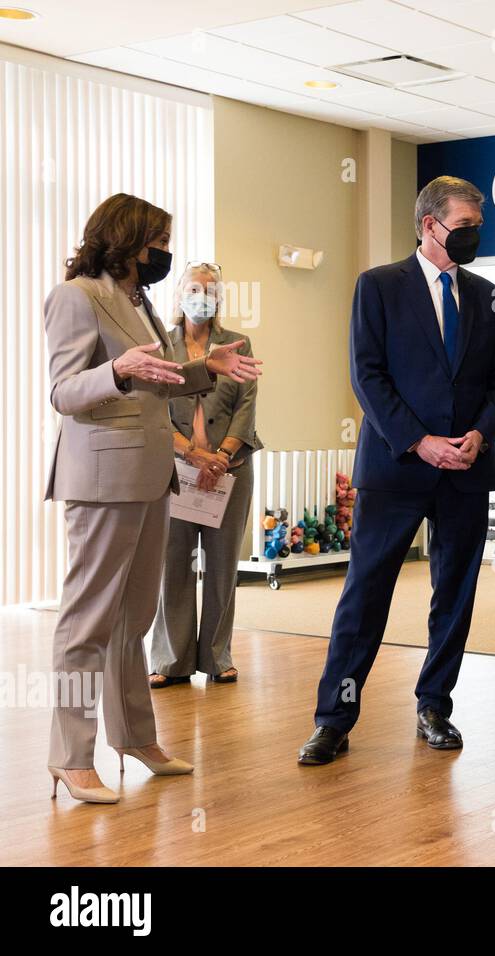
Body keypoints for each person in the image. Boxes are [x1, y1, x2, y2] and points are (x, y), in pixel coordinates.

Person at [44, 193, 262, 803]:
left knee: (134, 619)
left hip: (149, 476)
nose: (164, 252)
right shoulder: (76, 296)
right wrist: (116, 371)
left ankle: (135, 737)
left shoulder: (138, 302)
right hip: (100, 479)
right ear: (126, 237)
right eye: (157, 242)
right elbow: (63, 392)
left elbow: (157, 380)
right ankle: (70, 756)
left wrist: (207, 367)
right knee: (87, 622)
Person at [298, 176, 495, 765]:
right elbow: (367, 375)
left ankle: (435, 708)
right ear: (429, 225)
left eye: (478, 226)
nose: (474, 235)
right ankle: (333, 719)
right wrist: (419, 442)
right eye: (464, 225)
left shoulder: (490, 296)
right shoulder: (378, 286)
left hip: (466, 468)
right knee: (366, 594)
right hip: (395, 466)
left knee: (455, 595)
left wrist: (480, 434)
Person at [150, 262, 263, 688]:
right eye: (194, 289)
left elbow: (246, 405)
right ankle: (170, 660)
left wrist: (222, 456)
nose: (202, 297)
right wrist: (194, 454)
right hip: (176, 469)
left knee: (221, 567)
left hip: (231, 470)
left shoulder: (237, 344)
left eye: (210, 290)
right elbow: (155, 409)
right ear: (180, 294)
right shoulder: (161, 345)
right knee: (173, 564)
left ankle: (218, 657)